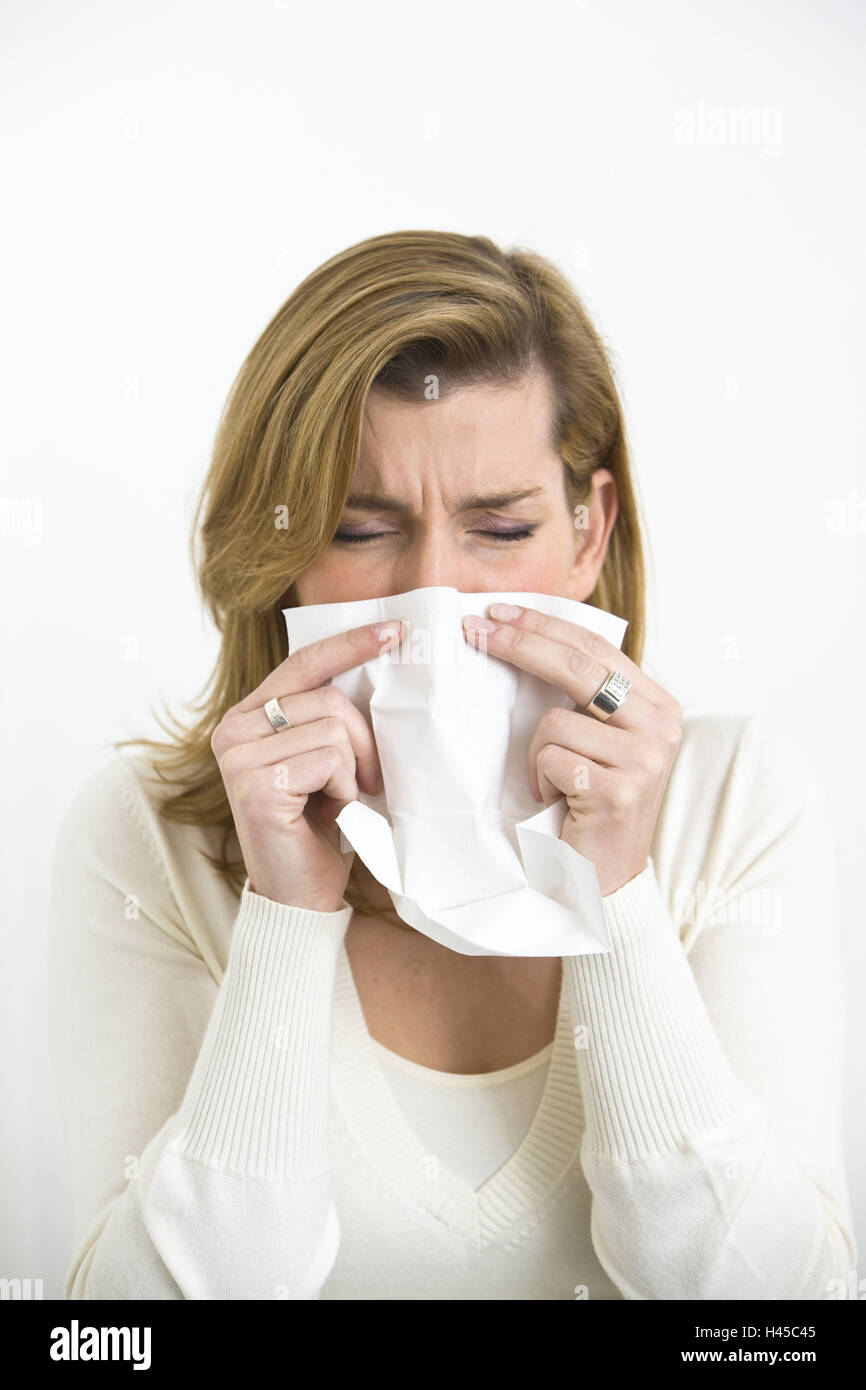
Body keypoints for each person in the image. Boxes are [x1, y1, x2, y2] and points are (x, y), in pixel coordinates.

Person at [47, 229, 857, 1300]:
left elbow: (780, 1326)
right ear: (281, 555)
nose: (433, 595)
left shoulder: (734, 801)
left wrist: (613, 891)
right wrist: (288, 913)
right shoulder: (149, 839)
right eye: (360, 527)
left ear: (587, 530)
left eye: (498, 527)